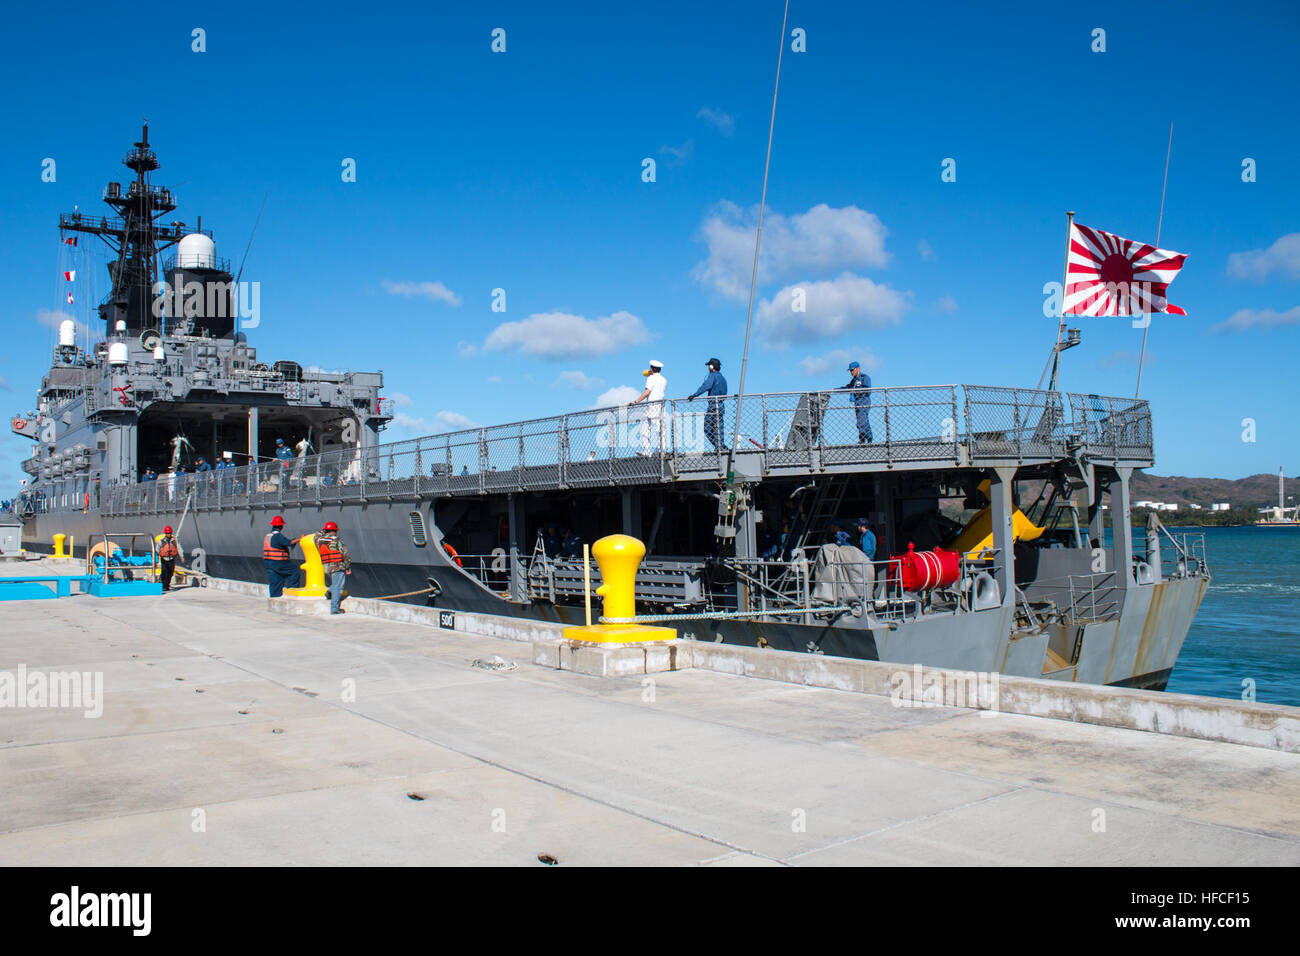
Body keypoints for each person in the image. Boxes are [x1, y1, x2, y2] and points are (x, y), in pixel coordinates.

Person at [628, 359, 668, 456]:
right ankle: (662, 449)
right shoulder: (663, 379)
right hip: (660, 405)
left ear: (652, 369)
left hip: (652, 405)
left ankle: (648, 450)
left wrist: (635, 401)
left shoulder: (651, 378)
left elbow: (647, 392)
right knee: (659, 428)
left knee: (646, 429)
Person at [688, 357, 728, 451]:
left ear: (711, 366)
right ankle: (720, 445)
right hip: (721, 405)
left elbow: (706, 385)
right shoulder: (723, 378)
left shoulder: (713, 376)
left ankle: (719, 447)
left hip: (713, 405)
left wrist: (695, 394)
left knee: (707, 428)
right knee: (719, 427)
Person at [263, 515, 303, 597]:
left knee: (276, 580)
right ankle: (292, 592)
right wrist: (300, 538)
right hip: (279, 562)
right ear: (281, 526)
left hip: (268, 563)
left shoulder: (268, 536)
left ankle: (275, 598)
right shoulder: (278, 536)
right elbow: (289, 543)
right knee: (294, 571)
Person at [317, 520, 351, 614]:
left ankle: (329, 591)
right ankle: (334, 609)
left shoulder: (319, 540)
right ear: (334, 531)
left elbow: (317, 534)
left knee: (335, 585)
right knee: (338, 587)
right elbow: (345, 555)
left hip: (327, 567)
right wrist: (347, 567)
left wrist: (323, 531)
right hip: (338, 567)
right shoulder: (338, 542)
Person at [840, 361, 874, 443]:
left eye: (853, 370)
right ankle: (868, 437)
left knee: (861, 420)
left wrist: (856, 390)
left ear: (857, 369)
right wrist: (836, 390)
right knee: (863, 419)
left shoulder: (864, 378)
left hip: (864, 400)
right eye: (850, 371)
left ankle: (863, 438)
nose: (851, 372)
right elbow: (848, 387)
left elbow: (867, 389)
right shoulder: (853, 380)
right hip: (857, 401)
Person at [157, 525, 181, 591]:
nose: (168, 534)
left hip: (171, 558)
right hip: (164, 559)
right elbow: (157, 549)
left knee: (170, 572)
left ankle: (167, 584)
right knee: (164, 571)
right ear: (165, 533)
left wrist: (182, 556)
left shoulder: (174, 541)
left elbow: (179, 548)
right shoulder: (161, 541)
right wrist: (157, 556)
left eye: (169, 533)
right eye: (167, 533)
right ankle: (164, 585)